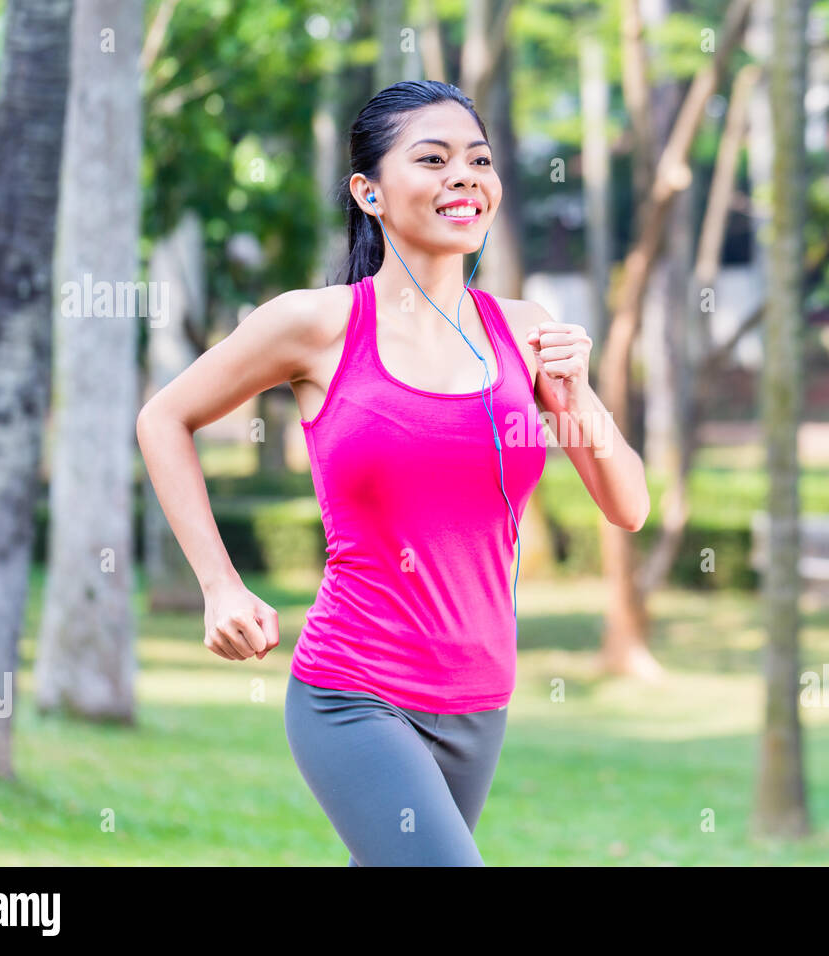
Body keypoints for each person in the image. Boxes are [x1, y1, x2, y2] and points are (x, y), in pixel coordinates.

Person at [135, 79, 651, 866]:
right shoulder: (317, 325)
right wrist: (220, 585)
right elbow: (163, 418)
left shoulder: (526, 333)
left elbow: (628, 505)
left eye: (479, 160)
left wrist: (575, 391)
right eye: (433, 159)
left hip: (481, 701)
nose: (463, 177)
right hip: (355, 691)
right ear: (368, 191)